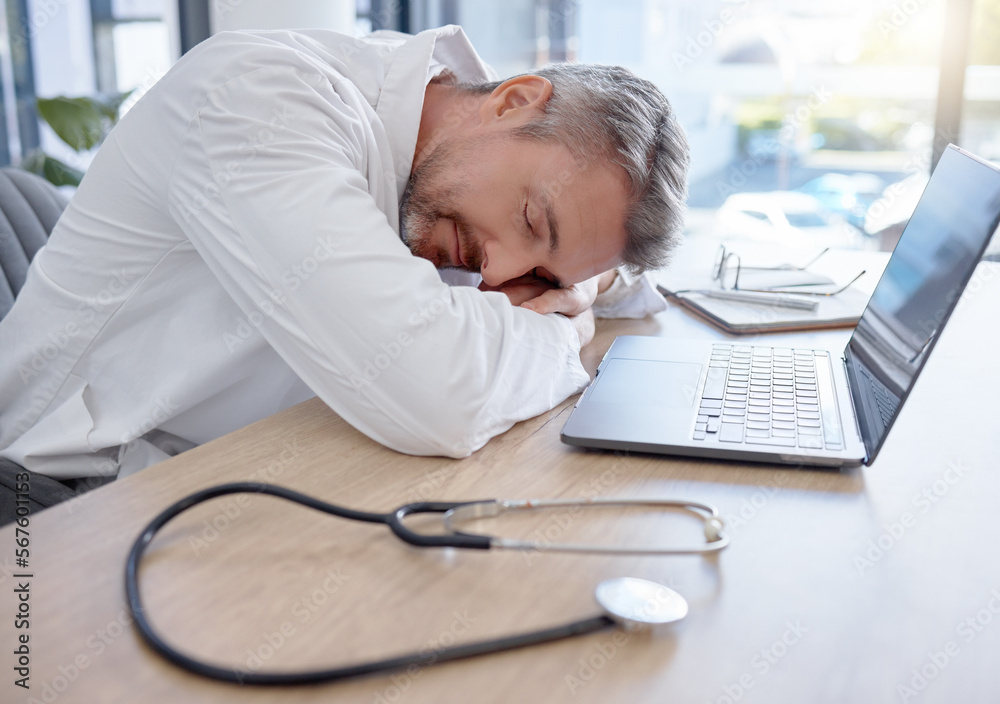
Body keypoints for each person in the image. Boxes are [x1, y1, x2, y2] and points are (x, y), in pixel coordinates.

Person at [0, 25, 688, 518]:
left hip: (230, 470)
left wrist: (582, 280)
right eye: (532, 222)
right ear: (512, 101)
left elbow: (629, 283)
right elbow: (436, 391)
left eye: (539, 272)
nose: (500, 273)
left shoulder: (442, 129)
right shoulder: (262, 100)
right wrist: (564, 331)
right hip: (62, 502)